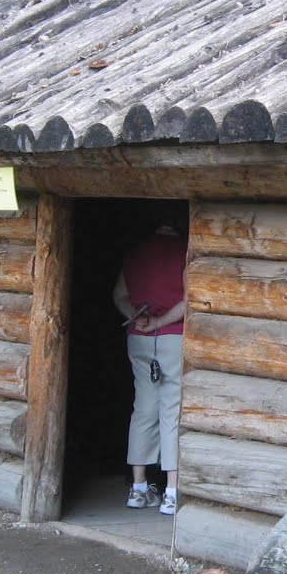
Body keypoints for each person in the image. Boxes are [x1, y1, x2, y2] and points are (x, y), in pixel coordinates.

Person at [111, 221, 188, 516]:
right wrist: (160, 321)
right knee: (171, 411)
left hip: (139, 340)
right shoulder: (185, 253)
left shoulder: (134, 254)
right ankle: (171, 492)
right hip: (172, 338)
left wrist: (138, 317)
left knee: (143, 409)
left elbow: (119, 295)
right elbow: (187, 299)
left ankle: (139, 488)